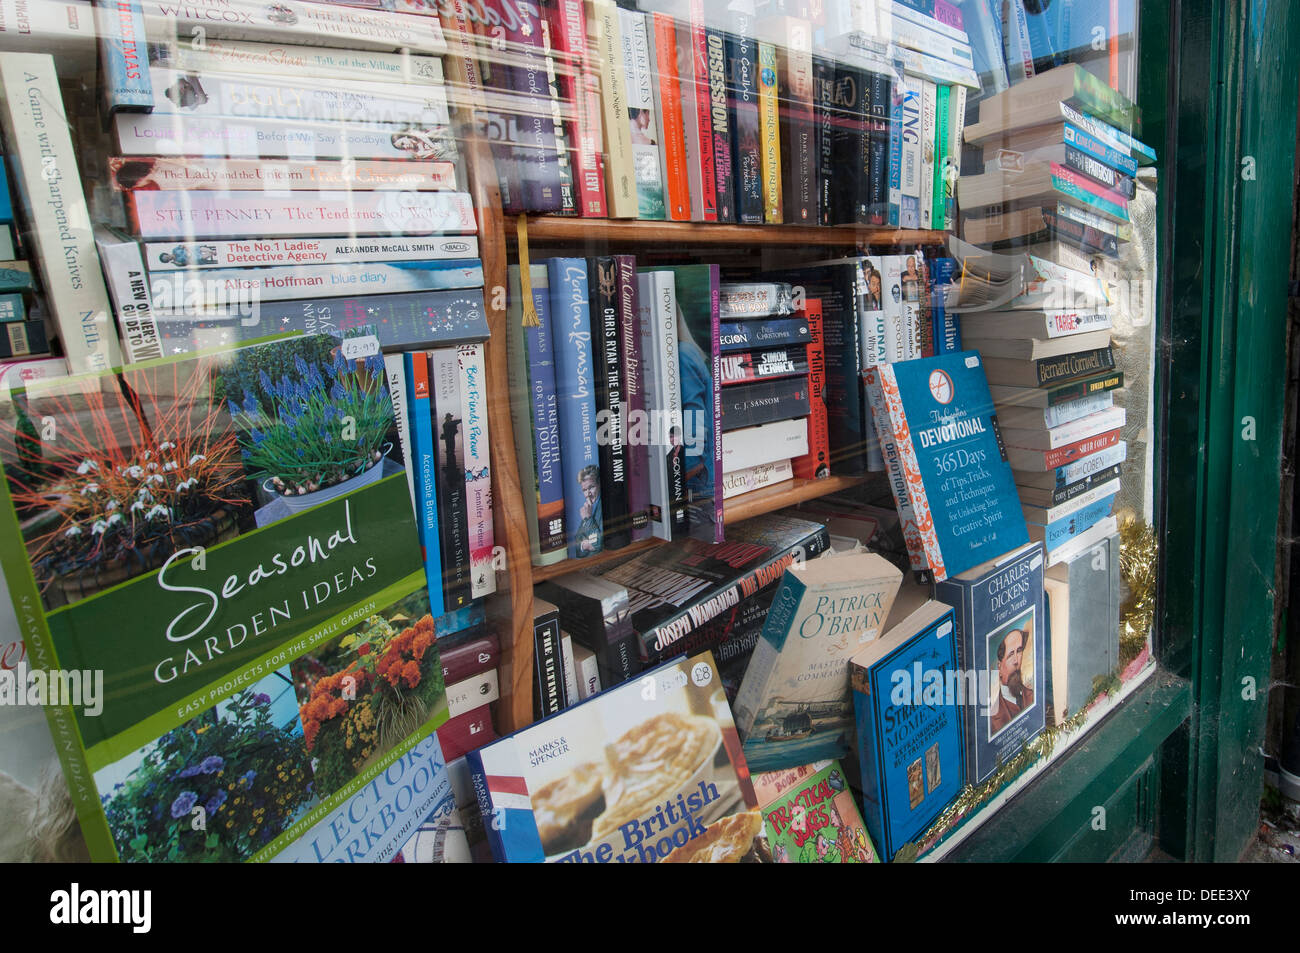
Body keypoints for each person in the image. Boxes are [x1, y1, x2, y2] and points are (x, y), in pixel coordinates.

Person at [989, 627, 1034, 734]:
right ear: (999, 666)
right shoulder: (993, 717)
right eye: (1010, 655)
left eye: (1019, 651)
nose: (1016, 661)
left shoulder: (1033, 695)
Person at [574, 464, 603, 556]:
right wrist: (584, 545)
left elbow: (597, 544)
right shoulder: (589, 508)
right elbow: (577, 547)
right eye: (584, 490)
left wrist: (588, 519)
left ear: (599, 484)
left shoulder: (605, 505)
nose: (588, 494)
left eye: (591, 487)